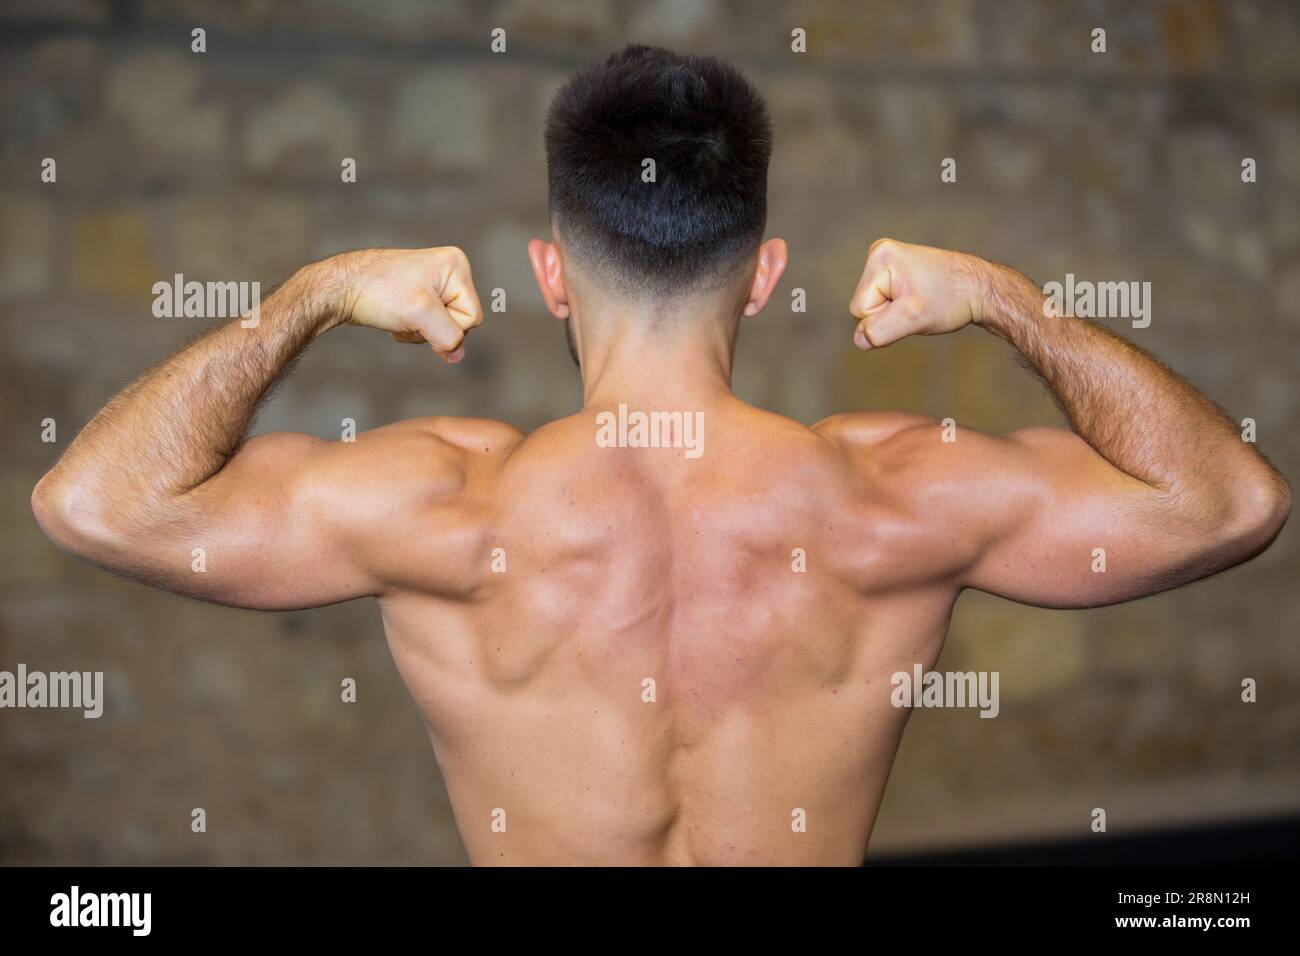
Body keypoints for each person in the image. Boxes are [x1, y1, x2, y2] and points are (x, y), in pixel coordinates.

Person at [31, 45, 1290, 865]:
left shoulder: (445, 504)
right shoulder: (889, 495)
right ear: (765, 274)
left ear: (549, 276)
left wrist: (310, 294)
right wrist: (1014, 302)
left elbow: (94, 502)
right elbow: (1228, 500)